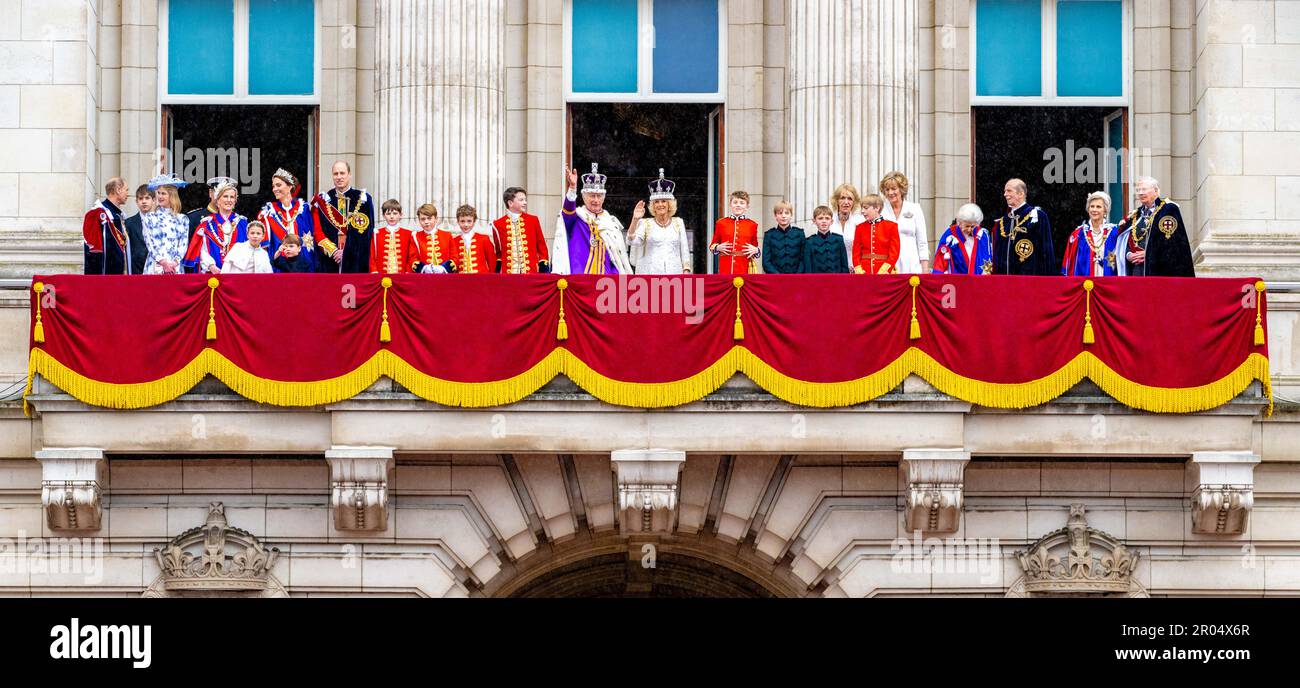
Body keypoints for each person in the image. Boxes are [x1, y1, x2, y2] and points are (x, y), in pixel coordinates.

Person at [553, 164, 633, 275]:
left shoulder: (610, 222)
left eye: (599, 196)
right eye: (592, 195)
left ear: (603, 198)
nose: (596, 200)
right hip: (581, 279)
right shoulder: (577, 218)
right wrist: (572, 188)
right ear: (584, 197)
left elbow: (616, 257)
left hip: (606, 280)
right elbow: (567, 210)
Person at [1116, 176, 1194, 277]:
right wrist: (1128, 255)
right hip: (1137, 270)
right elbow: (1125, 241)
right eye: (1138, 190)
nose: (1140, 193)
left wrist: (1148, 254)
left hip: (1160, 271)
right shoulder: (1136, 215)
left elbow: (1172, 243)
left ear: (1156, 191)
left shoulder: (1168, 210)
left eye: (1144, 189)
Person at [311, 160, 376, 273]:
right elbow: (317, 232)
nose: (339, 177)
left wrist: (346, 252)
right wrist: (334, 251)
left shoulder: (363, 199)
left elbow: (367, 233)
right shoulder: (323, 201)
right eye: (336, 174)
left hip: (356, 261)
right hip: (330, 262)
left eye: (342, 173)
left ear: (349, 175)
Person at [628, 170, 692, 275]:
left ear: (669, 204)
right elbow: (632, 241)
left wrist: (686, 271)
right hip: (650, 276)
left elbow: (684, 250)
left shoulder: (678, 222)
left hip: (674, 275)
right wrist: (635, 219)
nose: (660, 204)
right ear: (653, 205)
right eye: (656, 202)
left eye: (663, 201)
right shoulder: (646, 224)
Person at [993, 178, 1055, 276]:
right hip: (1005, 282)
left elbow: (1046, 251)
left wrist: (1047, 280)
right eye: (1004, 191)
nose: (1005, 194)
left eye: (1009, 191)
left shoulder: (1037, 216)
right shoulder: (1004, 221)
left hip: (1030, 280)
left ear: (1021, 194)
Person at [259, 168, 317, 273]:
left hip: (301, 268)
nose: (274, 189)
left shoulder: (302, 209)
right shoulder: (268, 211)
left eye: (278, 185)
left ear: (290, 186)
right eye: (273, 186)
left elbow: (309, 240)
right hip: (278, 268)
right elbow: (263, 246)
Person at [184, 180, 248, 274]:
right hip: (212, 275)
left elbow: (248, 250)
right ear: (218, 199)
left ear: (235, 200)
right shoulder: (206, 224)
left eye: (232, 197)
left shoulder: (242, 223)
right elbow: (201, 250)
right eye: (225, 196)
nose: (229, 200)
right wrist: (211, 266)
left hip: (237, 274)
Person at [879, 171, 930, 273]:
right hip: (886, 264)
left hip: (911, 263)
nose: (890, 193)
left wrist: (925, 269)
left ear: (901, 189)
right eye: (887, 189)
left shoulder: (915, 209)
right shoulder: (880, 210)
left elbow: (922, 241)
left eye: (893, 189)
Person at [1063, 191, 1123, 277]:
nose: (1094, 210)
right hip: (1084, 284)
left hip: (1108, 283)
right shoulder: (1079, 234)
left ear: (1105, 210)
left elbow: (1122, 262)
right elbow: (1071, 264)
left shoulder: (1114, 233)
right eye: (1092, 206)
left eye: (1098, 207)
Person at [492, 187, 551, 274]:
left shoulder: (533, 220)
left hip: (531, 273)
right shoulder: (497, 224)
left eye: (525, 200)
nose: (525, 203)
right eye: (521, 200)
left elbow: (542, 247)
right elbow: (499, 253)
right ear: (510, 203)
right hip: (508, 276)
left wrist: (543, 270)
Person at [141, 174, 190, 275]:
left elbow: (183, 244)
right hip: (155, 266)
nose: (160, 196)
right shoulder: (150, 217)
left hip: (175, 267)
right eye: (158, 193)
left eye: (163, 193)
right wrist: (163, 262)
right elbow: (150, 243)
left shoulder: (183, 219)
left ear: (172, 196)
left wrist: (175, 262)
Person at [82, 177, 129, 275]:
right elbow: (93, 251)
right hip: (104, 277)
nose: (127, 194)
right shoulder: (97, 214)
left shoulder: (118, 215)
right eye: (126, 190)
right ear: (118, 190)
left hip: (118, 276)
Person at [932, 204, 995, 276]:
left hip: (978, 281)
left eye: (972, 226)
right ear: (960, 223)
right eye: (967, 226)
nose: (969, 229)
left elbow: (988, 258)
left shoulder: (983, 235)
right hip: (956, 281)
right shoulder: (950, 235)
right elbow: (940, 261)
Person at [710, 190, 761, 274]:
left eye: (742, 203)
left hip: (744, 267)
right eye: (735, 202)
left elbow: (754, 246)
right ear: (730, 204)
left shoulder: (752, 225)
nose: (738, 205)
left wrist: (756, 250)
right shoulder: (721, 223)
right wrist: (717, 248)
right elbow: (712, 245)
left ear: (747, 206)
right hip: (725, 267)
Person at [370, 199, 424, 274]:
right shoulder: (376, 234)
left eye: (395, 213)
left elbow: (411, 257)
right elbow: (372, 257)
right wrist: (374, 271)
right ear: (383, 216)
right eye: (388, 214)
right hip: (380, 276)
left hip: (402, 277)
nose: (392, 217)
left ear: (400, 215)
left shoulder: (409, 234)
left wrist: (408, 273)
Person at [852, 194, 902, 275]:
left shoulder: (891, 226)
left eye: (866, 208)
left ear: (877, 208)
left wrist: (885, 269)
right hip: (864, 271)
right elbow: (856, 252)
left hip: (884, 271)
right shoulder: (859, 227)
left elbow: (894, 252)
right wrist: (858, 268)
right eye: (862, 208)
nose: (862, 211)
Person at [447, 205, 499, 274]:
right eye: (462, 221)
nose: (466, 225)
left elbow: (492, 263)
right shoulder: (454, 241)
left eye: (469, 221)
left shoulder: (484, 239)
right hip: (459, 282)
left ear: (474, 222)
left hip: (481, 281)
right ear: (458, 222)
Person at [822, 183, 866, 264]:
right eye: (842, 198)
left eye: (850, 199)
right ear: (836, 201)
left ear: (854, 202)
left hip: (855, 269)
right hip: (833, 268)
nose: (846, 202)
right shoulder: (828, 220)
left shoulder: (860, 221)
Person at [762, 200, 806, 274]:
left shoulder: (799, 234)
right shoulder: (769, 235)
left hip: (796, 279)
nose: (783, 216)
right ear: (775, 216)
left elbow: (803, 259)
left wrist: (797, 276)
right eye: (780, 213)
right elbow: (766, 262)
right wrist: (779, 276)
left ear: (791, 215)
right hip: (775, 279)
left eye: (787, 213)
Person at [803, 206, 850, 274]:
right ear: (814, 221)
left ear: (831, 221)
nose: (824, 221)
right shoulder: (809, 241)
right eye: (820, 218)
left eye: (827, 218)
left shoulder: (839, 239)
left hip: (836, 281)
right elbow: (808, 268)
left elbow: (844, 265)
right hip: (817, 282)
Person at [185, 177, 230, 247]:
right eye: (219, 193)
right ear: (210, 193)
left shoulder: (236, 219)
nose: (222, 198)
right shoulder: (194, 218)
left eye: (226, 195)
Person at [413, 204, 456, 274]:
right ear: (419, 220)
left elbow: (454, 257)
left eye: (429, 218)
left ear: (436, 219)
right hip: (424, 278)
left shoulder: (447, 235)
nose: (426, 222)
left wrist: (444, 268)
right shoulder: (415, 236)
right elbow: (412, 258)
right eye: (423, 219)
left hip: (444, 277)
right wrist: (424, 268)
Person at [122, 184, 152, 275]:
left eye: (147, 198)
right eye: (140, 198)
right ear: (136, 201)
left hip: (155, 270)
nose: (144, 201)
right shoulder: (128, 223)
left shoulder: (161, 222)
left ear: (154, 200)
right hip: (136, 271)